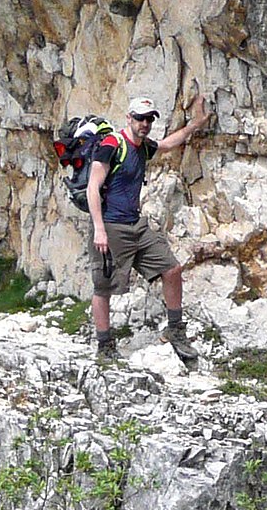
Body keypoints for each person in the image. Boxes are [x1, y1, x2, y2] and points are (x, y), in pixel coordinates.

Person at [87, 91, 211, 365]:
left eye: (150, 119)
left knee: (172, 269)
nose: (145, 124)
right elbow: (93, 187)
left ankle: (175, 329)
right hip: (111, 225)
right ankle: (104, 345)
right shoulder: (111, 144)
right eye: (141, 119)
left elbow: (166, 145)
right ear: (129, 118)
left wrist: (195, 124)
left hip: (136, 224)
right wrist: (99, 229)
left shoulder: (143, 147)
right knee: (104, 287)